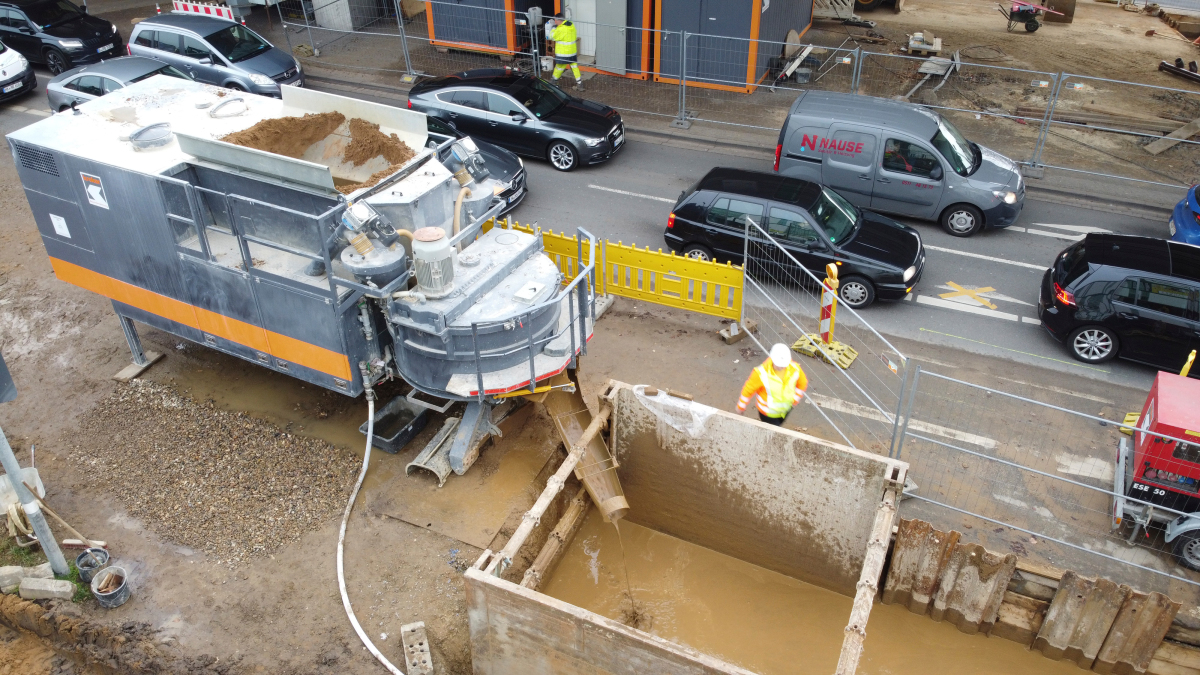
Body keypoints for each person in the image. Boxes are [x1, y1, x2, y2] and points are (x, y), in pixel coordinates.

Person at [736, 343, 808, 426]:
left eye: (783, 365)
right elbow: (748, 389)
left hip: (785, 411)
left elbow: (802, 383)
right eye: (778, 364)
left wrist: (794, 399)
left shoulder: (795, 369)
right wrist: (741, 406)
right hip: (767, 413)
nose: (781, 367)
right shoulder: (761, 373)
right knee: (773, 432)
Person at [549, 13, 584, 90]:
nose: (555, 22)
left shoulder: (560, 29)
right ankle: (580, 84)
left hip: (563, 53)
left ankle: (553, 81)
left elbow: (552, 37)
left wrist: (553, 29)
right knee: (574, 67)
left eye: (555, 20)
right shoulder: (571, 25)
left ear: (559, 20)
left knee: (559, 67)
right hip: (572, 51)